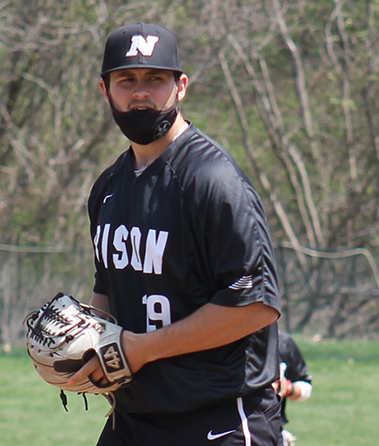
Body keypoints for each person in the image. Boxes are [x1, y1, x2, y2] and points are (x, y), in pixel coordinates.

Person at [67, 23, 283, 445]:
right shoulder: (109, 187)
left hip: (217, 419)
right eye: (126, 80)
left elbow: (254, 305)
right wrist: (90, 345)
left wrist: (140, 349)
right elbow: (108, 289)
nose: (141, 92)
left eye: (156, 79)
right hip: (133, 418)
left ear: (180, 86)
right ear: (104, 90)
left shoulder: (212, 181)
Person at [272, 330, 312, 446]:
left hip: (272, 431)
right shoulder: (223, 338)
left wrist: (286, 388)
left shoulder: (282, 342)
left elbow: (305, 387)